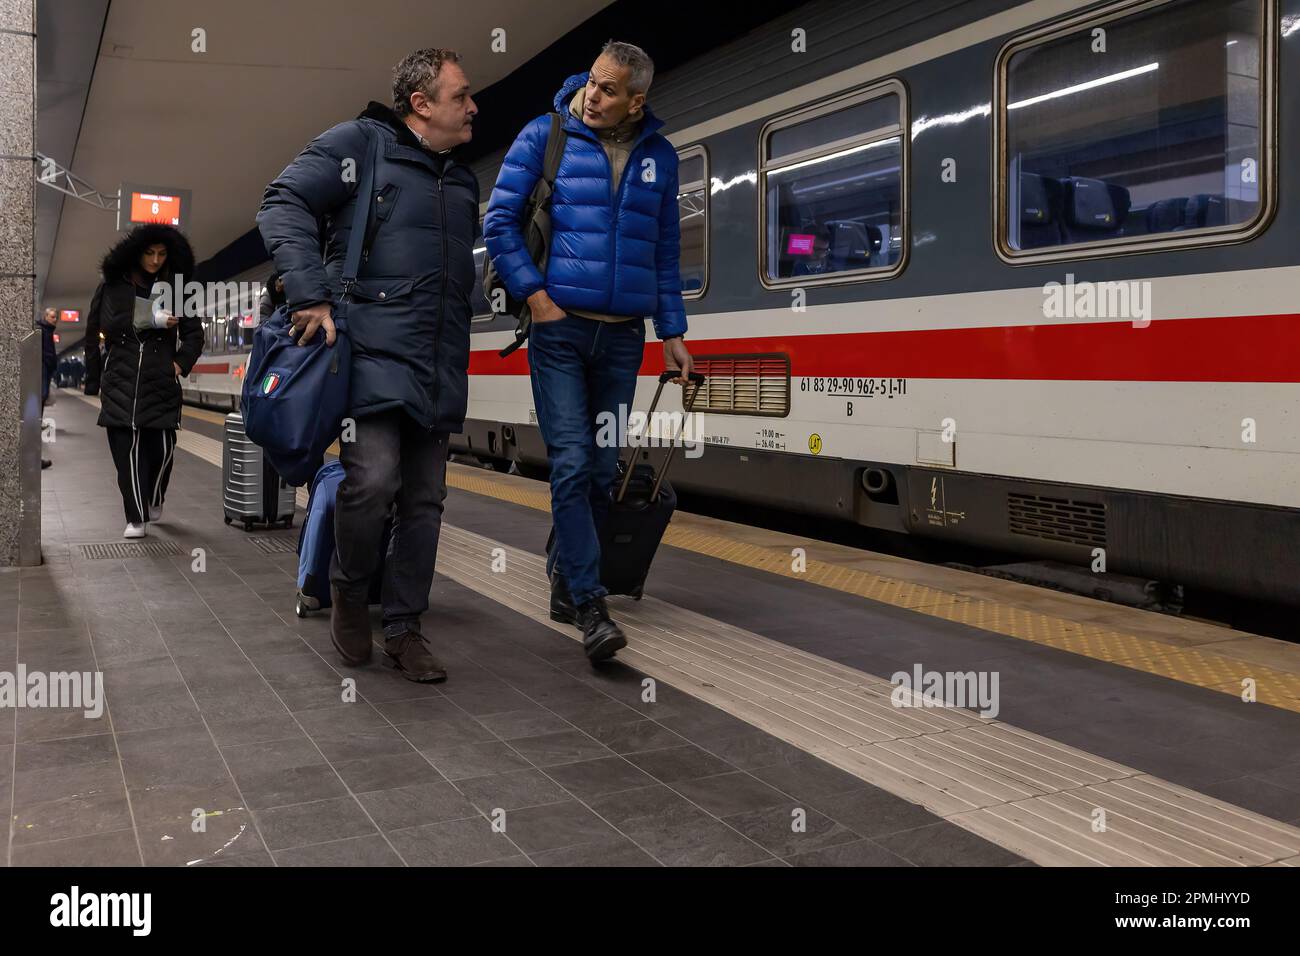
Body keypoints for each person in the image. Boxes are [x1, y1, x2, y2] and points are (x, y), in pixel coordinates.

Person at [257, 48, 479, 681]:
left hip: (439, 363)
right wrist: (310, 293)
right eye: (460, 95)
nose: (472, 106)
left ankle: (406, 627)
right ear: (421, 104)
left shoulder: (461, 181)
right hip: (371, 350)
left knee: (425, 500)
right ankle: (350, 590)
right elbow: (281, 201)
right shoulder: (361, 145)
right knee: (374, 481)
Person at [485, 40, 694, 663]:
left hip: (622, 337)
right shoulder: (544, 136)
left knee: (603, 469)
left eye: (609, 90)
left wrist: (673, 332)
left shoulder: (659, 156)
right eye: (591, 83)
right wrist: (535, 295)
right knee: (574, 462)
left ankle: (564, 576)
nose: (593, 97)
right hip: (561, 332)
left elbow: (662, 249)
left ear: (637, 99)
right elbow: (498, 221)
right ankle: (588, 602)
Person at [83, 224, 203, 538]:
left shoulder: (177, 289)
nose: (155, 260)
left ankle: (155, 495)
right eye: (149, 253)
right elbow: (99, 326)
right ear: (137, 253)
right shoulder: (112, 285)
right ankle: (136, 517)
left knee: (163, 449)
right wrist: (93, 378)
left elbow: (194, 335)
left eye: (162, 254)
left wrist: (179, 364)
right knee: (127, 453)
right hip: (120, 378)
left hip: (160, 381)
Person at [37, 308, 57, 468]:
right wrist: (48, 363)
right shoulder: (42, 330)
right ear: (45, 317)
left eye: (56, 317)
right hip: (43, 368)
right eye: (52, 316)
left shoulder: (47, 330)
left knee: (41, 400)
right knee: (41, 397)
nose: (54, 319)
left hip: (46, 368)